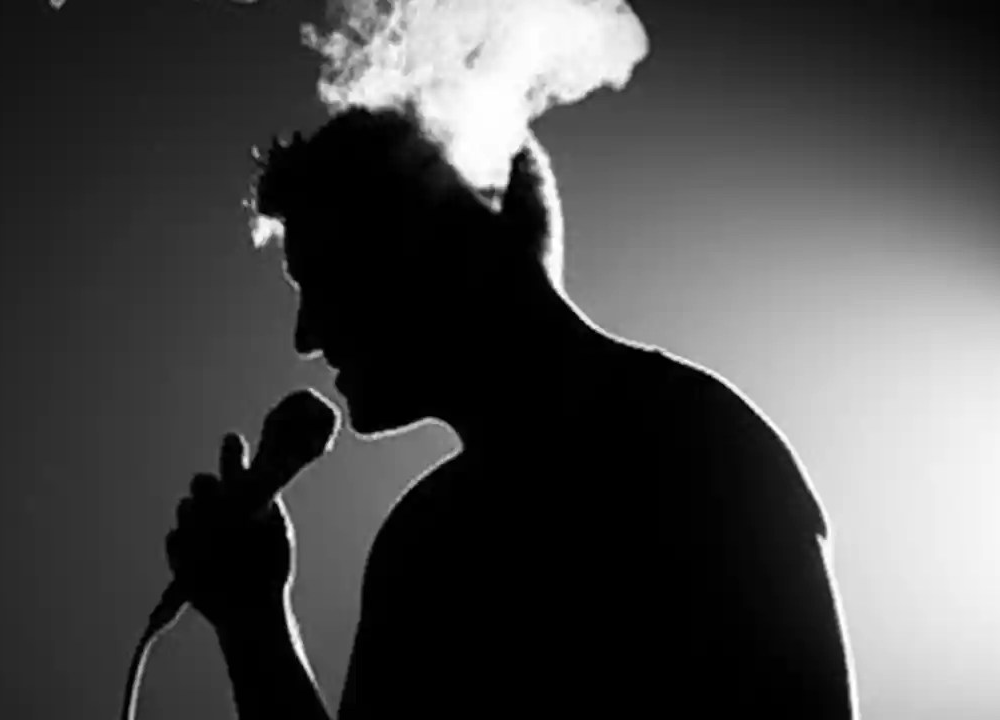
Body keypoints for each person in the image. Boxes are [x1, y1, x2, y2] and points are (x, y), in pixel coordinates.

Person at [165, 107, 857, 718]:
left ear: (424, 245)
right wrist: (252, 616)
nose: (305, 336)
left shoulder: (696, 450)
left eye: (325, 280)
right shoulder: (425, 539)